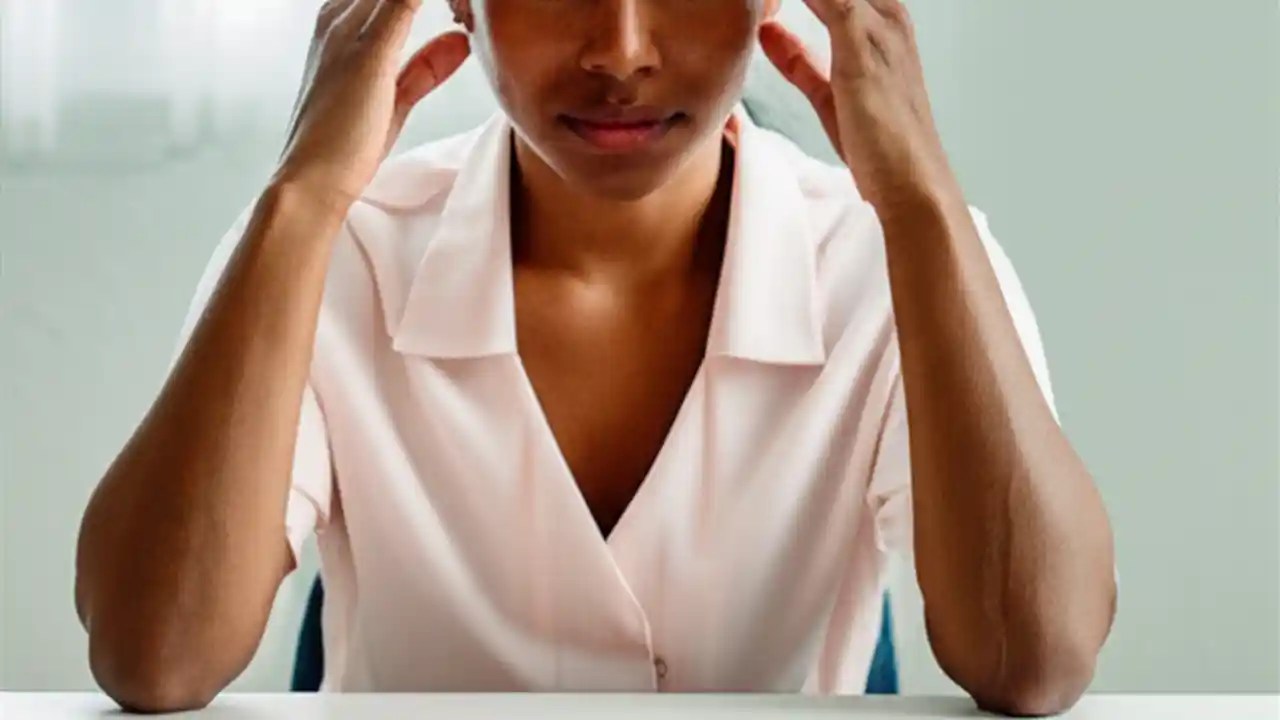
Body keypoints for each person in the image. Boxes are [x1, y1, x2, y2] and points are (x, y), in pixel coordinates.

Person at [74, 0, 1117, 714]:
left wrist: (921, 202)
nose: (620, 50)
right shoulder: (335, 250)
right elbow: (153, 657)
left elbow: (1035, 662)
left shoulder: (887, 255)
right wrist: (300, 199)